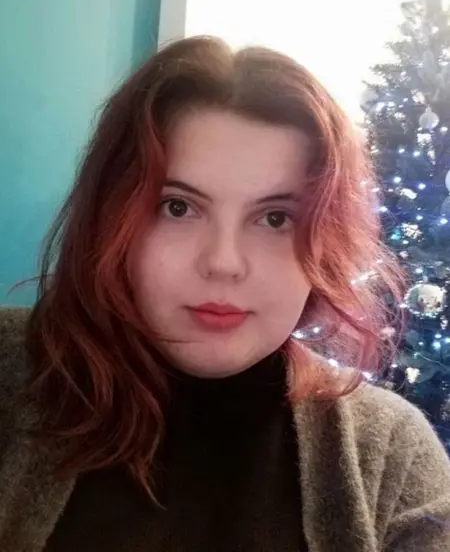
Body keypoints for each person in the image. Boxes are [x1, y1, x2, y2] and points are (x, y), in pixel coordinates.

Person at [0, 36, 449, 552]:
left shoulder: (392, 452)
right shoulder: (10, 375)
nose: (224, 263)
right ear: (110, 218)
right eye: (177, 207)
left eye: (275, 218)